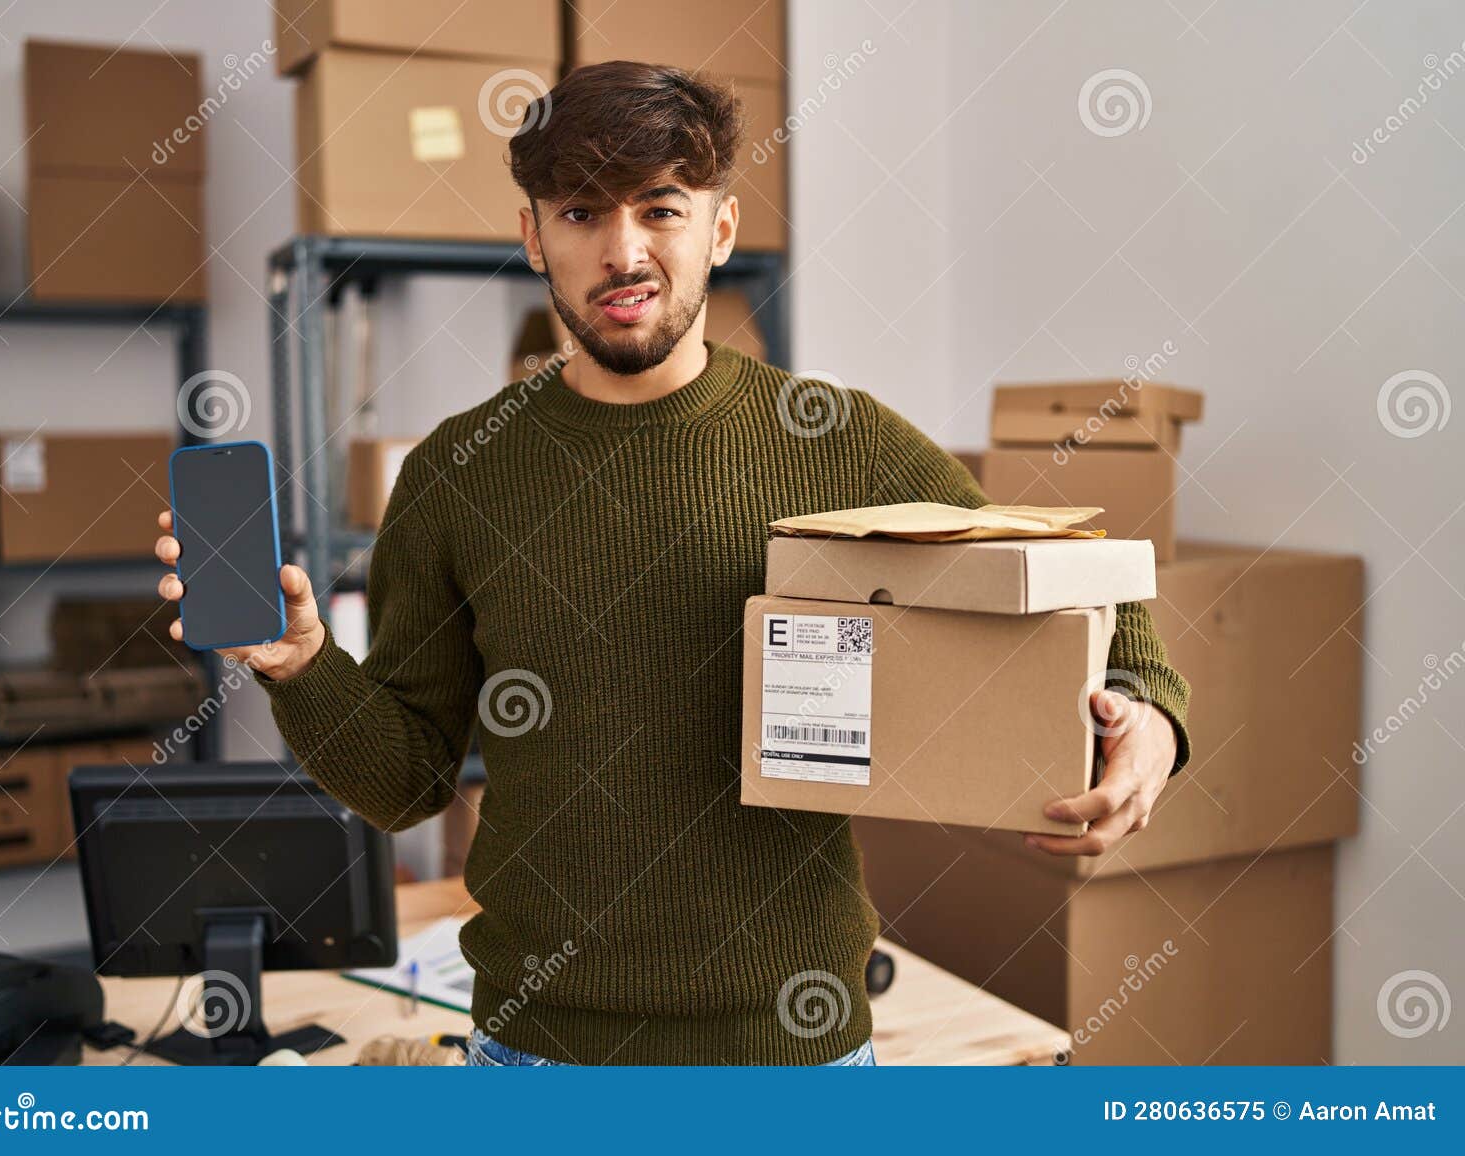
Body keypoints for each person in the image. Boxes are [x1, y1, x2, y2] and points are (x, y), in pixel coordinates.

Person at [154, 61, 1190, 1067]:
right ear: (532, 235)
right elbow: (406, 781)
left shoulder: (831, 438)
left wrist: (1148, 716)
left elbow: (1067, 580)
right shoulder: (459, 474)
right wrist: (299, 666)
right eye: (580, 213)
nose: (623, 250)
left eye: (660, 208)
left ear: (719, 228)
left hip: (796, 1049)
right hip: (540, 1052)